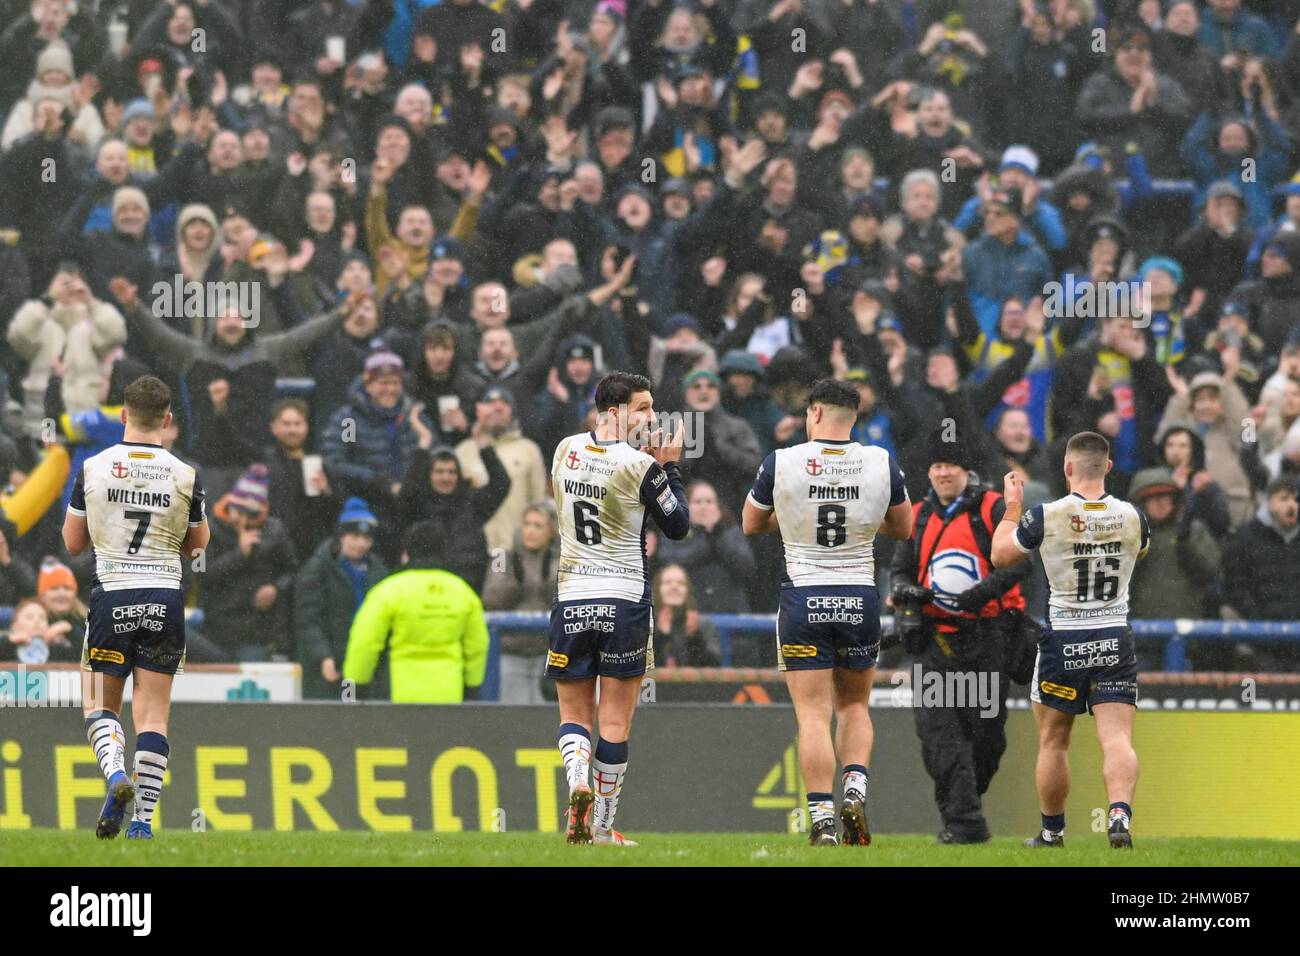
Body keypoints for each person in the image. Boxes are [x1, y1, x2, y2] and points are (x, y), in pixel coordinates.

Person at [742, 378, 913, 846]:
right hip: (859, 595)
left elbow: (750, 523)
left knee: (812, 715)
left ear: (813, 413)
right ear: (853, 417)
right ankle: (854, 789)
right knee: (855, 705)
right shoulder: (881, 461)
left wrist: (794, 512)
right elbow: (904, 527)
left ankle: (821, 822)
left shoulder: (783, 462)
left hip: (804, 595)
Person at [61, 375, 209, 841]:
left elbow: (71, 543)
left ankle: (114, 776)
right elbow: (199, 545)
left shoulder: (93, 467)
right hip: (164, 598)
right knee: (153, 716)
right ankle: (142, 823)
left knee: (98, 706)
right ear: (167, 421)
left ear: (123, 415)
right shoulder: (185, 474)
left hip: (113, 595)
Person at [548, 371, 690, 846]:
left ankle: (576, 784)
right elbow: (678, 525)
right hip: (624, 600)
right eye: (644, 408)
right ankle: (604, 828)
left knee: (573, 712)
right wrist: (669, 467)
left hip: (572, 597)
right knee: (614, 721)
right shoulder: (640, 465)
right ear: (614, 412)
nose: (653, 416)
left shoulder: (564, 450)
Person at [991, 431, 1149, 850]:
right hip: (1114, 634)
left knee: (1054, 741)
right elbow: (1141, 552)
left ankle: (1051, 833)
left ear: (1066, 468)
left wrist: (1011, 508)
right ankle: (1118, 815)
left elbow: (1001, 555)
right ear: (1108, 467)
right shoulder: (1134, 516)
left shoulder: (1047, 515)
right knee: (1116, 738)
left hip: (1064, 637)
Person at [889, 429, 1030, 845]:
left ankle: (963, 802)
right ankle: (965, 821)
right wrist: (904, 595)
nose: (942, 472)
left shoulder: (993, 508)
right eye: (936, 466)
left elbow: (1020, 564)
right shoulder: (918, 515)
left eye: (950, 464)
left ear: (967, 471)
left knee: (987, 737)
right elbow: (899, 570)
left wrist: (975, 596)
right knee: (939, 733)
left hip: (988, 637)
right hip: (935, 641)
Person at [342, 523, 489, 703]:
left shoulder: (389, 590)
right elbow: (477, 645)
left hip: (398, 694)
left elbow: (364, 642)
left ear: (407, 553)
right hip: (449, 693)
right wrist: (472, 686)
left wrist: (354, 687)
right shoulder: (463, 592)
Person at [293, 498, 387, 701]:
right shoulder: (317, 570)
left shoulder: (378, 571)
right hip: (335, 662)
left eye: (367, 538)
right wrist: (323, 656)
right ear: (342, 536)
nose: (361, 543)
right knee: (338, 720)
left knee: (361, 719)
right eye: (354, 536)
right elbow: (308, 619)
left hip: (367, 664)